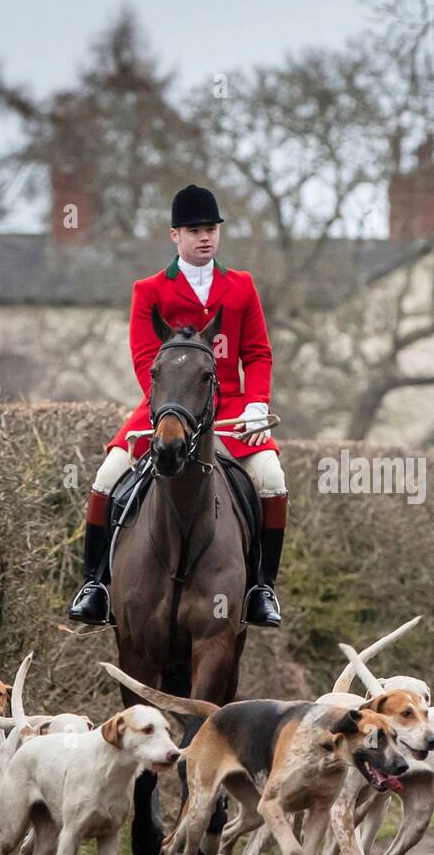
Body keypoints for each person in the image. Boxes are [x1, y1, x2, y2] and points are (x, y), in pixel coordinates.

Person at [68, 184, 286, 627]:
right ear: (175, 235)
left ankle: (262, 589)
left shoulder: (242, 287)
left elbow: (258, 354)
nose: (205, 237)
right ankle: (95, 584)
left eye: (211, 229)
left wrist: (256, 406)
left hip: (230, 409)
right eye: (194, 230)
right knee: (106, 476)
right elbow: (146, 359)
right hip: (166, 407)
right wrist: (169, 409)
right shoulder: (149, 289)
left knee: (272, 478)